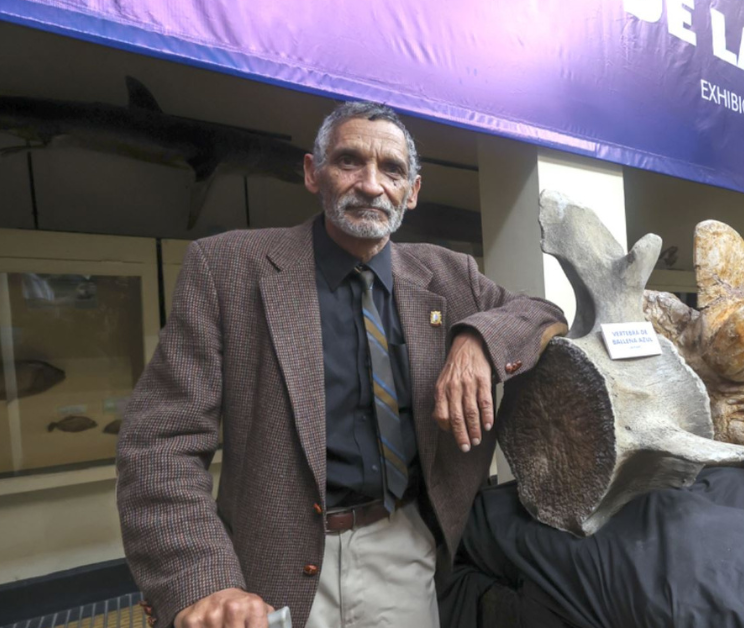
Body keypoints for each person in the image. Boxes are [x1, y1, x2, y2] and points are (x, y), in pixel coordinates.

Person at [116, 101, 567, 628]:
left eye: (392, 170)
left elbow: (542, 315)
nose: (372, 184)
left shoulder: (451, 276)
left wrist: (478, 339)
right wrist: (205, 580)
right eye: (350, 161)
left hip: (405, 548)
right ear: (313, 173)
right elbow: (159, 444)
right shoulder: (226, 268)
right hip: (264, 566)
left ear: (413, 191)